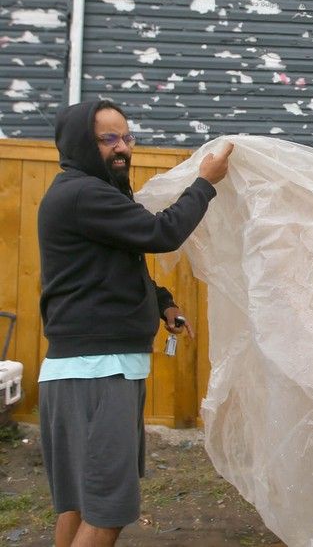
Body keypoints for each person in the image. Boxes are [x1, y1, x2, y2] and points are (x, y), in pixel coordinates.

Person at [36, 99, 233, 547]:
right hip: (97, 373)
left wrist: (162, 303)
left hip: (87, 370)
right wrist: (204, 184)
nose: (122, 147)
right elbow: (160, 233)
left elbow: (116, 263)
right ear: (81, 144)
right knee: (108, 512)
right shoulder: (85, 193)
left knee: (84, 503)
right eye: (109, 139)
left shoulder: (85, 193)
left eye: (127, 136)